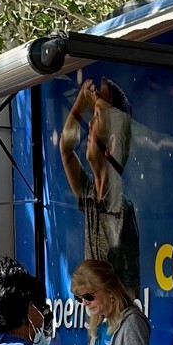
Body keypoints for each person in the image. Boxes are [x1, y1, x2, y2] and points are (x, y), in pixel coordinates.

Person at [56, 78, 140, 294]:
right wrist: (81, 103)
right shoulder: (90, 195)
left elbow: (130, 289)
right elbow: (65, 148)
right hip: (99, 314)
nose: (90, 125)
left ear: (111, 145)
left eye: (97, 117)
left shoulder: (121, 210)